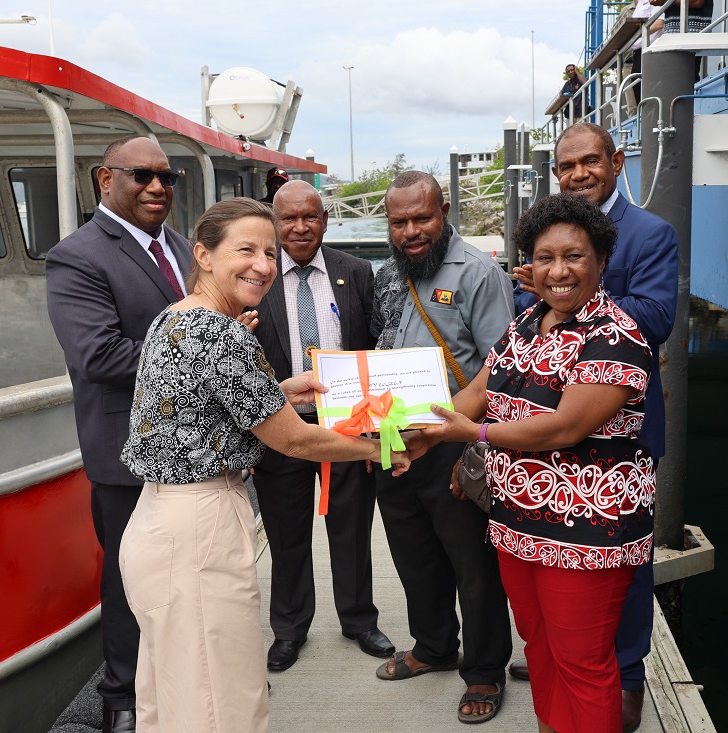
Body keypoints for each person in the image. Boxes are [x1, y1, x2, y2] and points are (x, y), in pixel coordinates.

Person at [118, 197, 408, 733]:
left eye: (269, 253)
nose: (263, 264)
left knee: (172, 695)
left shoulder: (174, 318)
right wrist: (380, 447)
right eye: (245, 250)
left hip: (158, 521)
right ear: (203, 255)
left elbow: (198, 407)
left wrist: (275, 389)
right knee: (220, 703)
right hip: (200, 528)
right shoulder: (225, 333)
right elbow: (296, 442)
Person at [420, 193, 655, 733]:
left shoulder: (614, 335)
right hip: (517, 524)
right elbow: (478, 390)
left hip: (588, 532)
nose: (559, 270)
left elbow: (566, 426)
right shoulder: (526, 322)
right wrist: (421, 434)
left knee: (584, 662)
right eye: (545, 257)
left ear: (601, 261)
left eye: (574, 256)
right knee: (540, 645)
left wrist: (472, 433)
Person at [513, 122, 678, 733]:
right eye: (566, 166)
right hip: (538, 445)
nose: (579, 173)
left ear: (616, 160)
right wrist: (552, 289)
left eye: (589, 161)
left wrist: (569, 289)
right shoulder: (550, 234)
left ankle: (628, 677)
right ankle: (570, 661)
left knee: (621, 570)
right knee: (556, 579)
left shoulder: (650, 233)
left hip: (614, 439)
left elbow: (657, 316)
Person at [45, 134, 192, 733]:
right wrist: (203, 350)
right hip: (126, 455)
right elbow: (99, 356)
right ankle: (123, 697)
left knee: (188, 575)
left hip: (196, 449)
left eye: (167, 177)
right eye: (142, 175)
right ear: (106, 181)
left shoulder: (185, 248)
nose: (157, 187)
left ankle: (186, 679)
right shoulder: (76, 256)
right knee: (131, 581)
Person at [370, 171, 514, 724]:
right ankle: (432, 645)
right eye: (399, 221)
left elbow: (502, 369)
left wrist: (451, 434)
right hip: (391, 441)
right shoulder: (389, 275)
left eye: (422, 218)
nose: (411, 231)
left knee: (473, 566)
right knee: (413, 555)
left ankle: (483, 671)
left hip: (453, 444)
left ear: (445, 211)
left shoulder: (478, 273)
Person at [251, 180, 394, 672]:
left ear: (325, 220)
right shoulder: (258, 277)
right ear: (274, 223)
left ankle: (358, 620)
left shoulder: (354, 272)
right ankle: (289, 629)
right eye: (288, 218)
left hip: (345, 429)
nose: (299, 227)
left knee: (352, 528)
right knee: (286, 532)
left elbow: (376, 342)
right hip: (282, 429)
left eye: (309, 216)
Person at [664, 0, 715, 79]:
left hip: (692, 34)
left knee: (687, 76)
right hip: (672, 35)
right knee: (674, 76)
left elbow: (697, 2)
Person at [630, 0, 665, 106]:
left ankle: (650, 118)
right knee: (638, 88)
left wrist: (638, 33)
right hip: (638, 52)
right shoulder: (640, 3)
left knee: (648, 90)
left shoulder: (654, 2)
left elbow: (660, 23)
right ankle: (645, 118)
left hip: (650, 50)